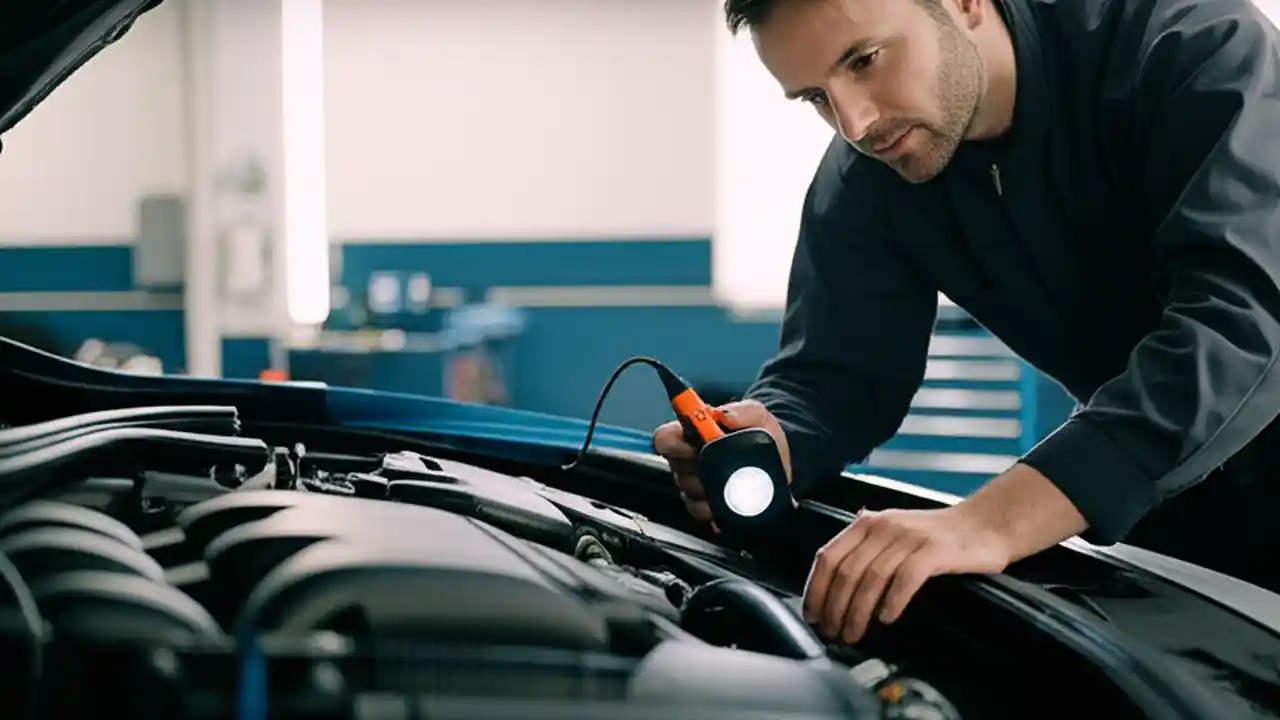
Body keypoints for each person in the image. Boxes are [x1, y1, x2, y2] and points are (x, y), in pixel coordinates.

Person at [651, 0, 1280, 646]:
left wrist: (992, 521)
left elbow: (1243, 326)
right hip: (1167, 515)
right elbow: (837, 375)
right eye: (815, 96)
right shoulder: (871, 172)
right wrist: (776, 433)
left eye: (864, 60)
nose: (855, 123)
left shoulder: (1196, 46)